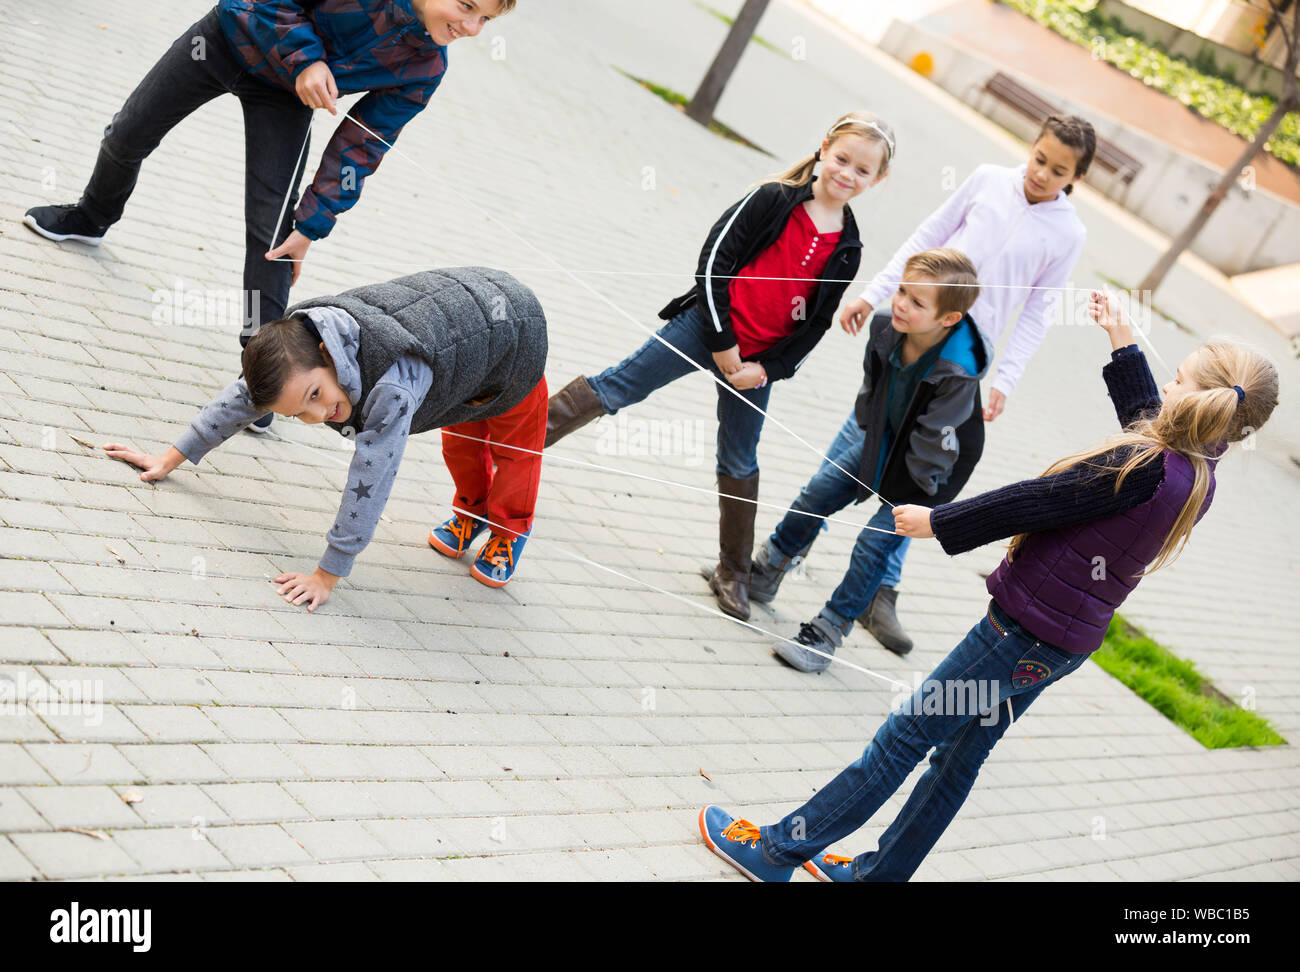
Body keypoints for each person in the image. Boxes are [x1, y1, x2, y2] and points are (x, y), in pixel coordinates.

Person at [698, 290, 1278, 882]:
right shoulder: (1197, 471)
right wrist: (1120, 335)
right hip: (1061, 646)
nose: (1168, 386)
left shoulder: (1141, 465)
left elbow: (1037, 500)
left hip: (1017, 634)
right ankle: (880, 876)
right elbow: (1146, 422)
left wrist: (938, 521)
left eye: (1177, 378)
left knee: (904, 737)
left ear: (1201, 401)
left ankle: (775, 853)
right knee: (957, 759)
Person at [23, 0, 515, 432]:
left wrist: (312, 224)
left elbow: (362, 144)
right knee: (127, 134)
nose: (471, 28)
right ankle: (91, 217)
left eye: (486, 19)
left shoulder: (425, 66)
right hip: (223, 40)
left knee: (274, 235)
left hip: (284, 98)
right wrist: (307, 58)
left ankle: (269, 376)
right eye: (466, 5)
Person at [545, 111, 895, 621]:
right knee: (617, 388)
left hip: (754, 366)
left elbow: (815, 324)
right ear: (824, 149)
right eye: (842, 158)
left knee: (740, 461)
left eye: (863, 170)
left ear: (877, 180)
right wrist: (724, 342)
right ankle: (510, 443)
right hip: (704, 331)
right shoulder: (772, 199)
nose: (847, 174)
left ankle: (733, 571)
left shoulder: (848, 247)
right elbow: (714, 264)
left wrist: (768, 369)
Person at [101, 267, 548, 606]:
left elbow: (371, 476)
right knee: (462, 441)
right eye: (300, 414)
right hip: (461, 352)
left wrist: (327, 574)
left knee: (514, 450)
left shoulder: (390, 389)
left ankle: (508, 529)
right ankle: (470, 511)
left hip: (514, 346)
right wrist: (170, 457)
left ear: (325, 352)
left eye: (315, 395)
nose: (320, 414)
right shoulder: (297, 345)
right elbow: (241, 398)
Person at [834, 115, 1094, 655]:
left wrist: (1007, 378)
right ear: (1032, 145)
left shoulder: (1068, 232)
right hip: (916, 333)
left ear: (1077, 177)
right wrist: (873, 294)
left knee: (921, 474)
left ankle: (880, 589)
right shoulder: (986, 180)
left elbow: (1039, 309)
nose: (1042, 173)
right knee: (857, 445)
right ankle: (786, 550)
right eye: (1040, 158)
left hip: (965, 360)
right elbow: (926, 238)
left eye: (1059, 170)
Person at [748, 248, 989, 672]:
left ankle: (826, 633)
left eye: (917, 303)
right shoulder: (884, 328)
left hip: (931, 467)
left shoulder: (959, 370)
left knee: (874, 542)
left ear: (949, 319)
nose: (900, 304)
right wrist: (868, 442)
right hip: (887, 437)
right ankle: (767, 570)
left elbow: (936, 440)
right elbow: (871, 387)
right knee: (818, 492)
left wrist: (898, 497)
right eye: (901, 291)